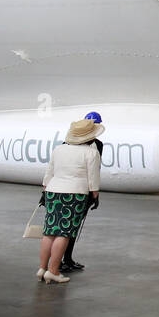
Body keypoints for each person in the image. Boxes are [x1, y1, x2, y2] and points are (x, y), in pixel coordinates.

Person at [37, 117, 103, 284]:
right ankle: (53, 271)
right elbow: (93, 179)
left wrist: (45, 190)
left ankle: (42, 268)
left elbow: (49, 172)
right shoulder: (91, 152)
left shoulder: (59, 149)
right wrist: (95, 195)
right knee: (64, 233)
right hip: (75, 193)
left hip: (53, 191)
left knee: (50, 231)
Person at [61, 110, 103, 273]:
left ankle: (67, 258)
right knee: (64, 228)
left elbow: (95, 170)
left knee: (74, 226)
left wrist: (94, 193)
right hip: (72, 190)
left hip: (82, 190)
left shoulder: (98, 145)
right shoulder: (66, 145)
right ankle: (58, 261)